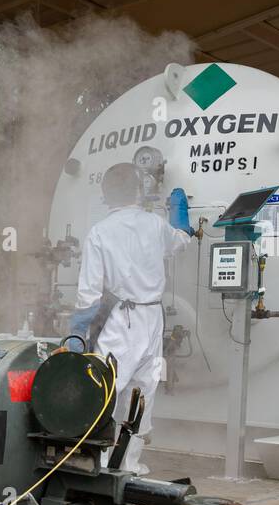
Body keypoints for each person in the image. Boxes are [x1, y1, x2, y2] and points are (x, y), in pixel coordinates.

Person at [69, 163, 195, 475]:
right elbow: (180, 241)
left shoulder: (99, 232)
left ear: (106, 195)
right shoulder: (155, 224)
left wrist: (76, 334)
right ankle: (130, 462)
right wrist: (181, 213)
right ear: (138, 191)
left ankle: (96, 459)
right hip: (152, 316)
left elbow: (88, 293)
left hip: (120, 320)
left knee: (106, 387)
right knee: (144, 389)